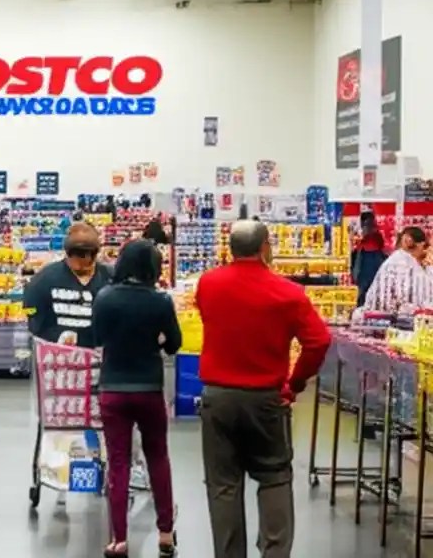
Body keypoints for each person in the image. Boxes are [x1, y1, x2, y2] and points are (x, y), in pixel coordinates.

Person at [195, 220, 331, 558]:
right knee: (274, 477)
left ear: (230, 249)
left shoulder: (208, 285)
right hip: (266, 400)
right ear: (265, 248)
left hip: (218, 399)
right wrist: (295, 384)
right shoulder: (288, 294)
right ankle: (274, 552)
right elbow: (319, 341)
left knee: (223, 486)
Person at [93, 239, 181, 558]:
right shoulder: (160, 301)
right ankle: (166, 533)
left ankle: (119, 539)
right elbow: (174, 344)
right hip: (148, 390)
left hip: (113, 389)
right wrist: (156, 339)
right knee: (158, 457)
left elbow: (98, 337)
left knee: (118, 463)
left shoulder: (104, 298)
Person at [24, 222, 112, 348]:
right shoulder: (44, 279)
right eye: (76, 261)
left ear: (94, 255)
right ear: (67, 254)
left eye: (86, 262)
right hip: (55, 355)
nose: (81, 266)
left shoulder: (110, 279)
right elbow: (31, 311)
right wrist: (54, 336)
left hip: (100, 356)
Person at [362, 225, 433, 312]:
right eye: (424, 247)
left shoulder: (392, 262)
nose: (424, 252)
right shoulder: (408, 265)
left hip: (384, 318)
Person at [350, 211, 388, 306]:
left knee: (367, 290)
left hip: (369, 261)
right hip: (366, 261)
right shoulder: (370, 235)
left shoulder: (374, 236)